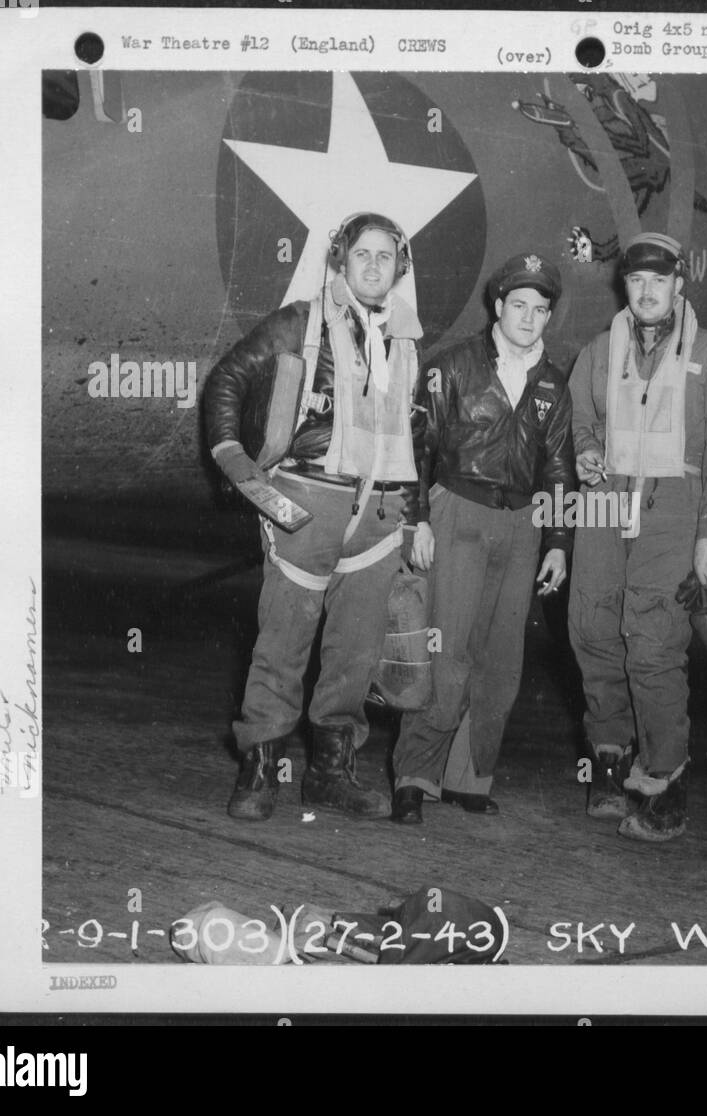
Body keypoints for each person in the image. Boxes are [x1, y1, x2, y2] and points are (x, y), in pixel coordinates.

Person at [204, 212, 423, 822]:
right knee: (283, 643)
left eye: (385, 256)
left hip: (379, 512)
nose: (373, 266)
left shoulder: (406, 338)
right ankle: (259, 770)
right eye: (362, 254)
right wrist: (232, 456)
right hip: (308, 501)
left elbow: (416, 432)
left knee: (356, 653)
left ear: (399, 267)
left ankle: (330, 774)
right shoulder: (300, 322)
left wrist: (416, 516)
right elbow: (227, 379)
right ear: (341, 260)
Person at [568, 232, 707, 842]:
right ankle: (610, 761)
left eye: (659, 280)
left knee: (652, 644)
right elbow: (581, 418)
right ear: (625, 285)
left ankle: (663, 784)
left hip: (675, 507)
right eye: (636, 280)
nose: (647, 291)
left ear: (679, 284)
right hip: (605, 501)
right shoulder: (599, 351)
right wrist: (587, 451)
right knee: (593, 630)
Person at [390, 254, 573, 824]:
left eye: (539, 309)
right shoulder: (453, 366)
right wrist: (417, 519)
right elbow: (417, 447)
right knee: (446, 650)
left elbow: (559, 467)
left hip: (521, 524)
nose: (528, 318)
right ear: (498, 307)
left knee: (501, 660)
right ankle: (415, 775)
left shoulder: (552, 383)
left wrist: (559, 541)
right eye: (518, 305)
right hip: (458, 510)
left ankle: (469, 777)